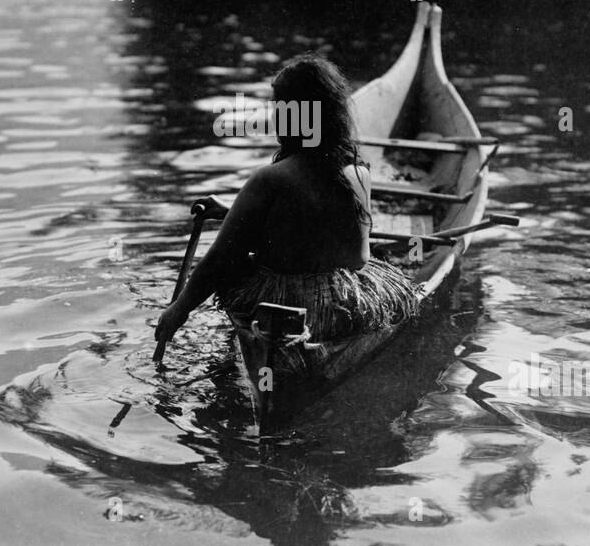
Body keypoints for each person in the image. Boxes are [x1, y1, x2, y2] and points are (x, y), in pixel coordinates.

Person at [153, 53, 419, 346]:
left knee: (236, 265)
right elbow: (355, 255)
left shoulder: (270, 179)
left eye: (279, 105)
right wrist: (231, 213)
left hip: (281, 300)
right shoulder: (357, 174)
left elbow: (221, 259)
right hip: (342, 301)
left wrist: (178, 310)